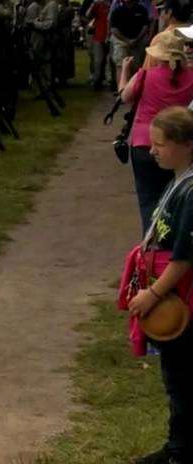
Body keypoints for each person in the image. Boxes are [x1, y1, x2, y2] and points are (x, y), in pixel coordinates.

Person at [125, 106, 193, 464]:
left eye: (160, 144)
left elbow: (185, 255)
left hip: (180, 295)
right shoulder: (178, 180)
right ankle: (178, 445)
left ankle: (180, 451)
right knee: (175, 371)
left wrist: (153, 293)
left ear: (187, 145)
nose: (152, 150)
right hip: (168, 288)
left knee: (182, 374)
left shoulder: (191, 190)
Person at [121, 35, 193, 235]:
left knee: (149, 200)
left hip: (145, 143)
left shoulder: (146, 75)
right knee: (177, 198)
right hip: (179, 144)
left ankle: (152, 246)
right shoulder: (191, 78)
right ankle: (175, 242)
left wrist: (125, 71)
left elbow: (125, 96)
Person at [113, 0, 154, 79]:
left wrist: (137, 39)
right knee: (121, 66)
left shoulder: (141, 9)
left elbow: (145, 25)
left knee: (137, 67)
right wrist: (127, 40)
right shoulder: (117, 11)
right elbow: (114, 29)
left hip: (138, 41)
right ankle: (121, 90)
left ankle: (134, 90)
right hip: (121, 42)